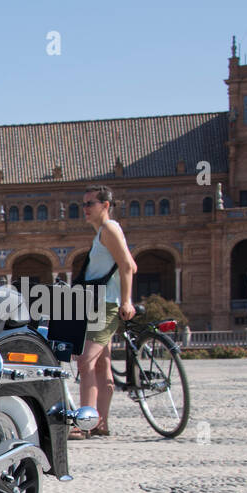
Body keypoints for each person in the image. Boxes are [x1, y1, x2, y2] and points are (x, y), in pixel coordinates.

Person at [70, 186, 136, 440]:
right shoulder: (103, 233)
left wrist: (126, 301)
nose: (85, 209)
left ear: (106, 205)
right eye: (83, 204)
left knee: (85, 362)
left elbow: (128, 266)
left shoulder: (109, 230)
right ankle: (101, 423)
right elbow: (131, 263)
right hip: (98, 303)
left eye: (91, 204)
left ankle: (83, 423)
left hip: (107, 305)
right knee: (101, 365)